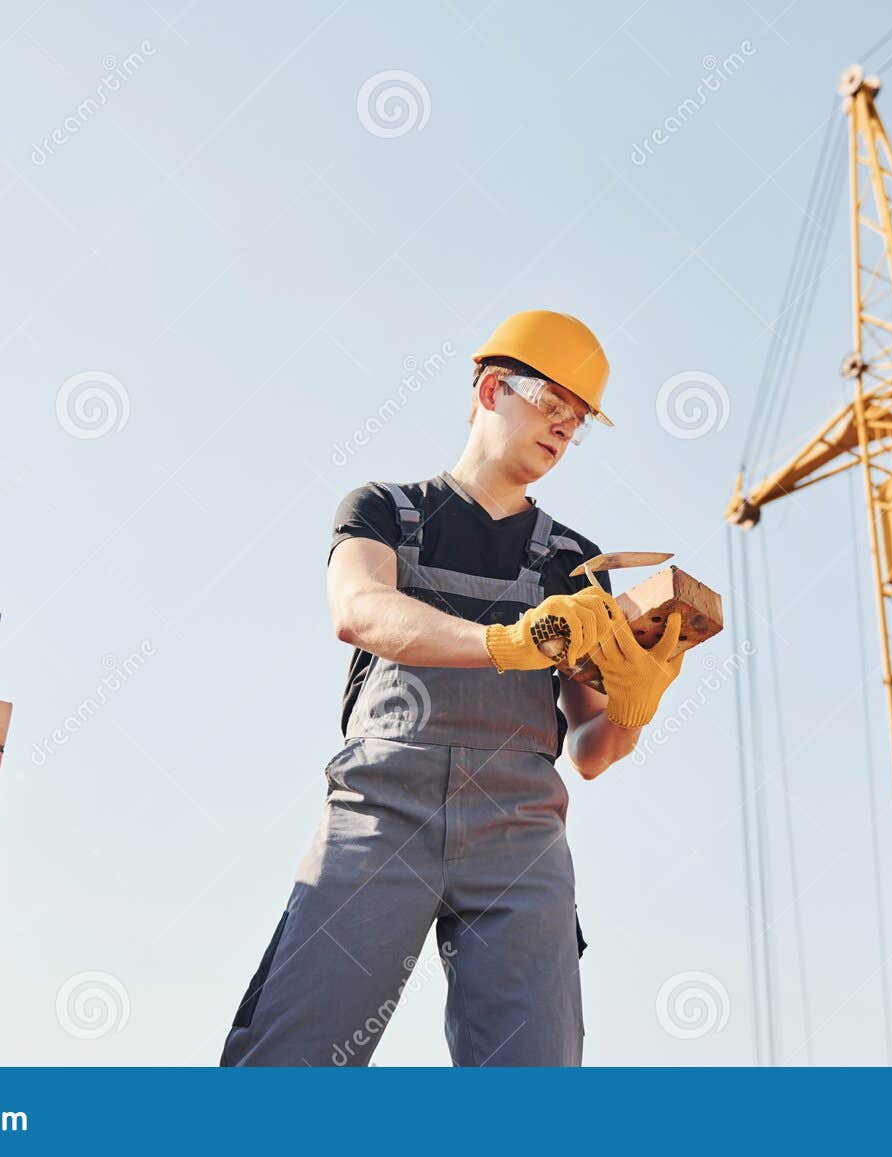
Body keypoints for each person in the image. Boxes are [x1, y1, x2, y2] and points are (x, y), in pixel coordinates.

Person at [219, 309, 686, 1067]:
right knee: (289, 1060)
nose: (566, 428)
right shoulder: (385, 513)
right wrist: (509, 641)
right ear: (493, 388)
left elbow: (593, 751)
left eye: (579, 421)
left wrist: (635, 708)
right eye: (553, 404)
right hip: (381, 813)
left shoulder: (575, 563)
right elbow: (360, 610)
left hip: (520, 837)